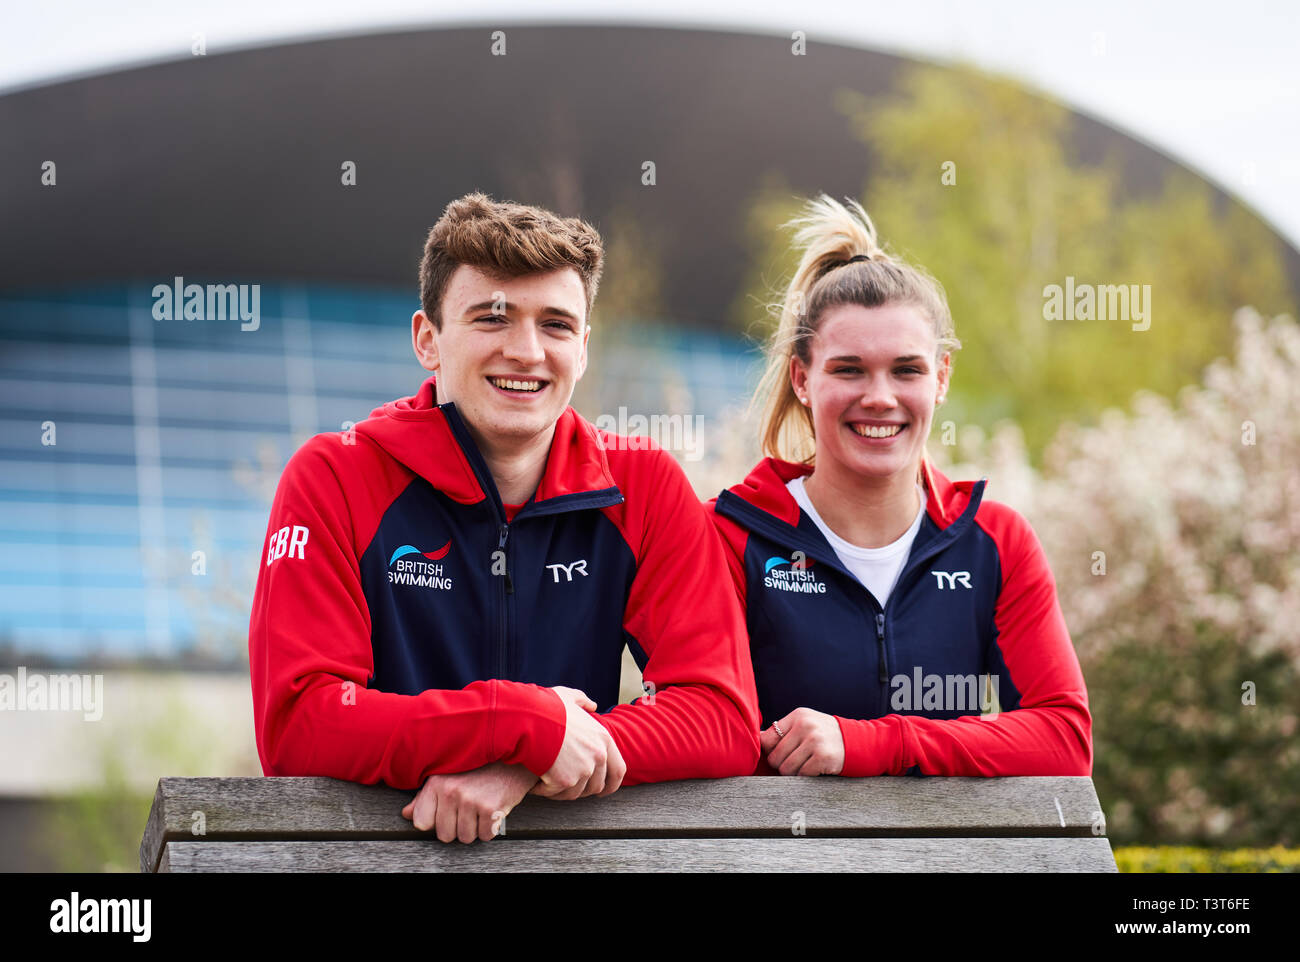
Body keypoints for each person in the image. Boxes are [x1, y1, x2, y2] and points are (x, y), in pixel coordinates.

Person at [249, 192, 761, 843]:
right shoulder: (334, 476)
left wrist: (535, 760)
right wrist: (523, 724)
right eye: (493, 318)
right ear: (427, 340)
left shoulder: (644, 486)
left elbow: (721, 718)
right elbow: (303, 724)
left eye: (555, 325)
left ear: (583, 349)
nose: (526, 350)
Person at [708, 194, 1091, 777]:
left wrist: (873, 744)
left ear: (940, 379)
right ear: (803, 379)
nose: (880, 397)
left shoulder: (995, 541)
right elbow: (705, 725)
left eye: (906, 369)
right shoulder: (731, 535)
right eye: (849, 369)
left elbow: (1063, 740)